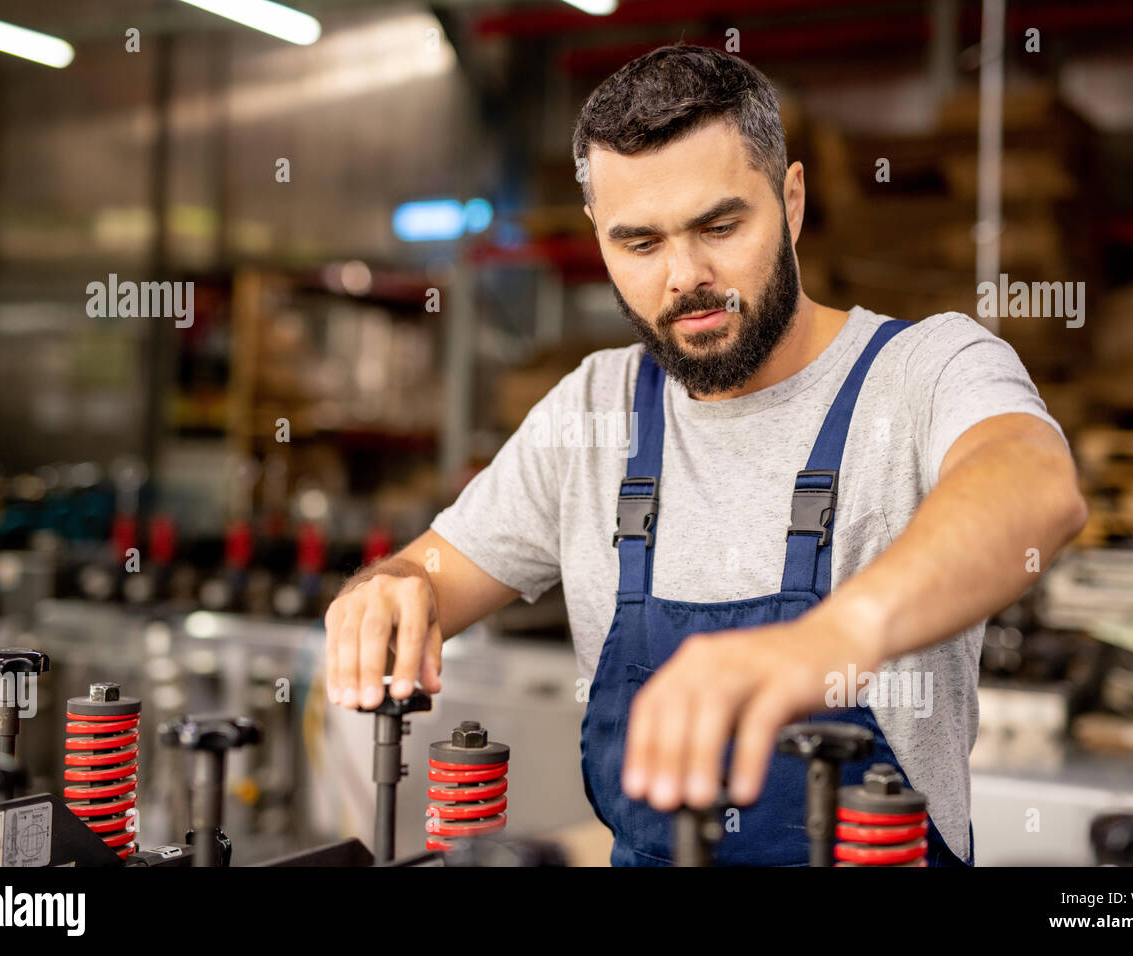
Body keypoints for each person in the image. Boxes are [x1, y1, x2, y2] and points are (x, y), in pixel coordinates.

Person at [324, 43, 1087, 866]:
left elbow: (1035, 485)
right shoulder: (595, 407)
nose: (686, 276)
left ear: (791, 200)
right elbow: (428, 581)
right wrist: (388, 590)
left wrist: (835, 637)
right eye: (640, 243)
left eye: (720, 226)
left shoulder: (924, 372)